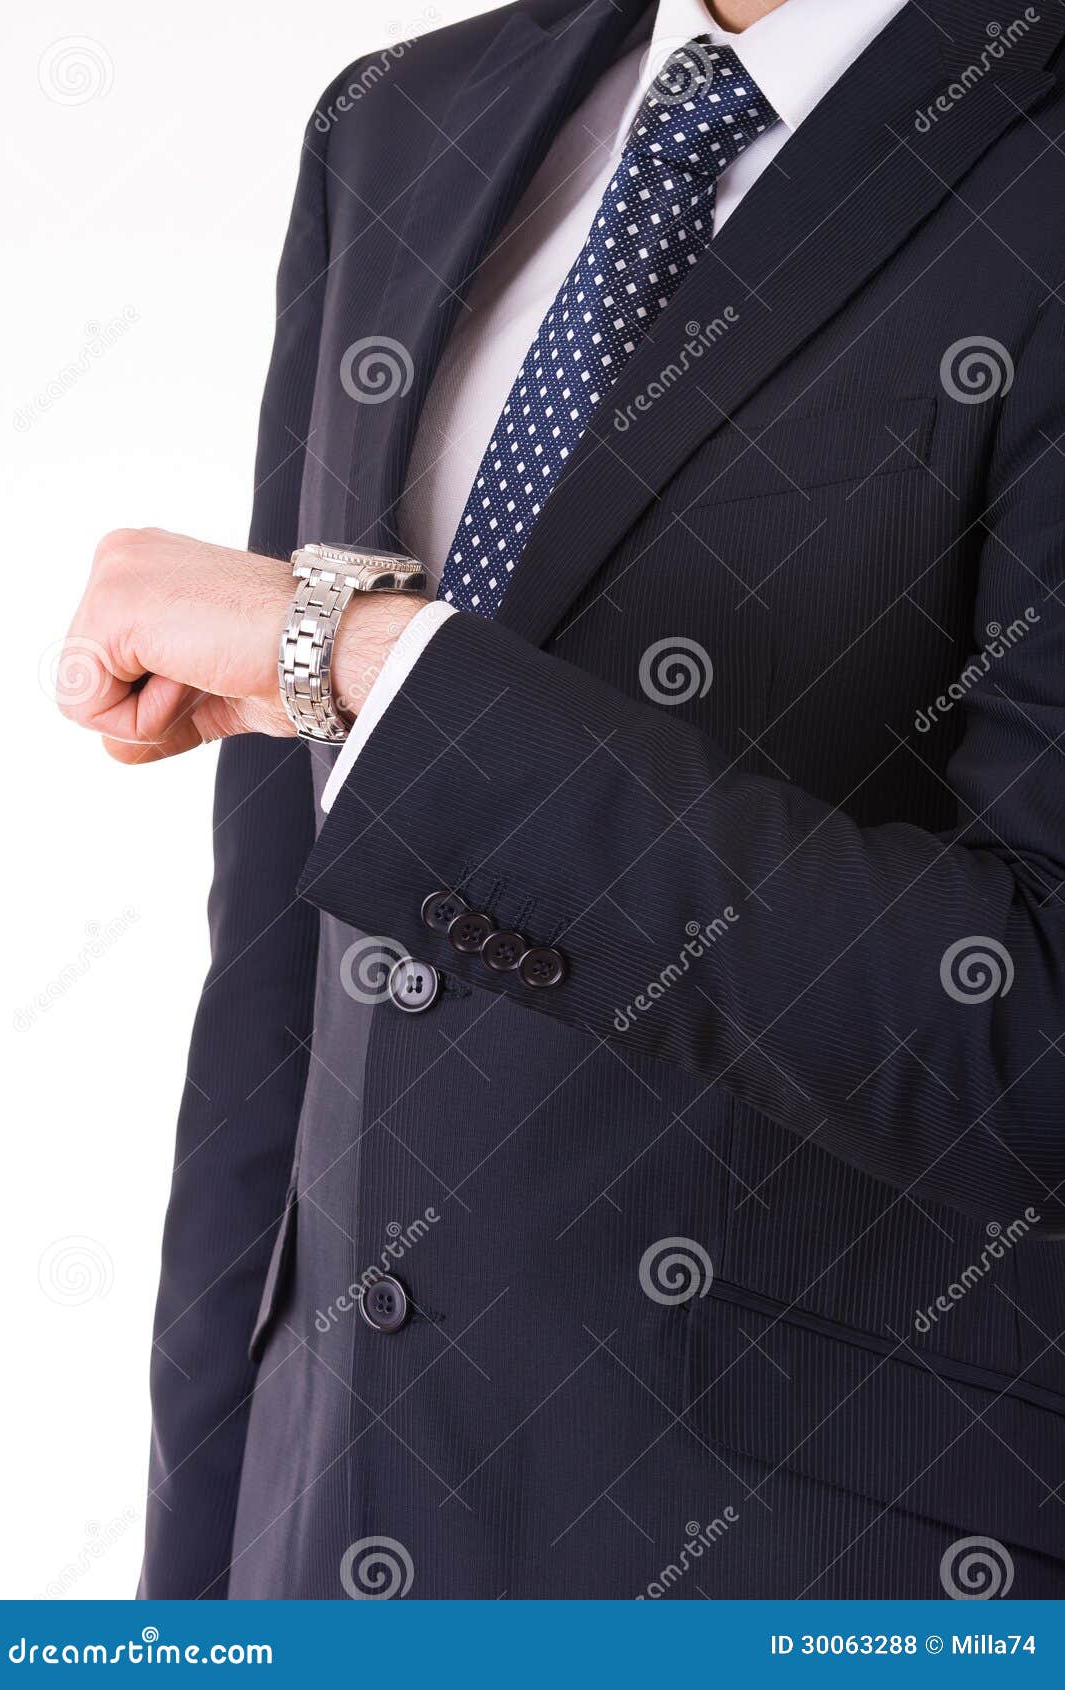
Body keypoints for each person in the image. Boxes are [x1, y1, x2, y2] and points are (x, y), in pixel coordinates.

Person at [60, 0, 1065, 1599]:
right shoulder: (403, 121)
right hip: (326, 1547)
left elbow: (1032, 1028)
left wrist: (394, 672)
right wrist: (195, 1596)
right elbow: (277, 990)